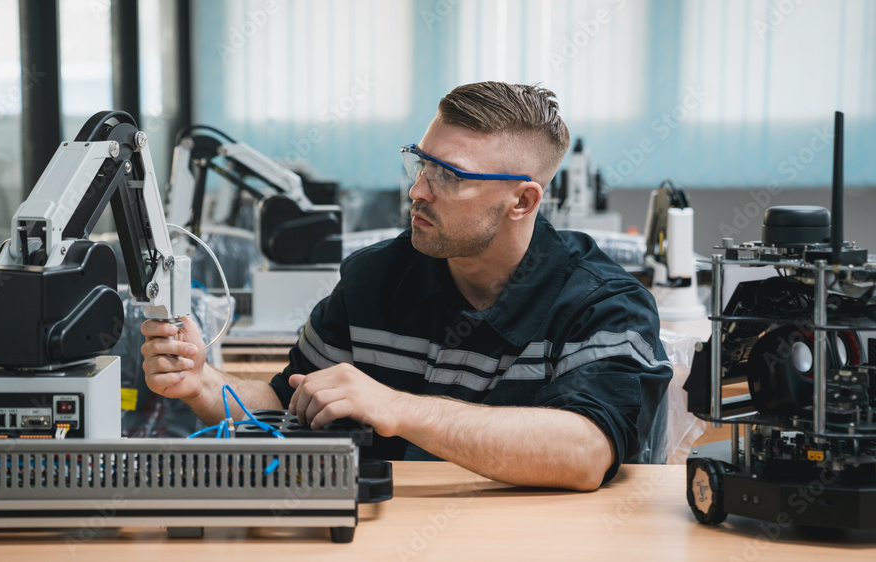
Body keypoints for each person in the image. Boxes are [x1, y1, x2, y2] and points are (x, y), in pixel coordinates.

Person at [142, 81, 672, 491]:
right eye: (421, 164)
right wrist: (203, 384)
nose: (418, 191)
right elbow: (288, 402)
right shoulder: (375, 278)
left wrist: (396, 407)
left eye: (450, 176)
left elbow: (584, 453)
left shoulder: (603, 303)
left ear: (522, 202)